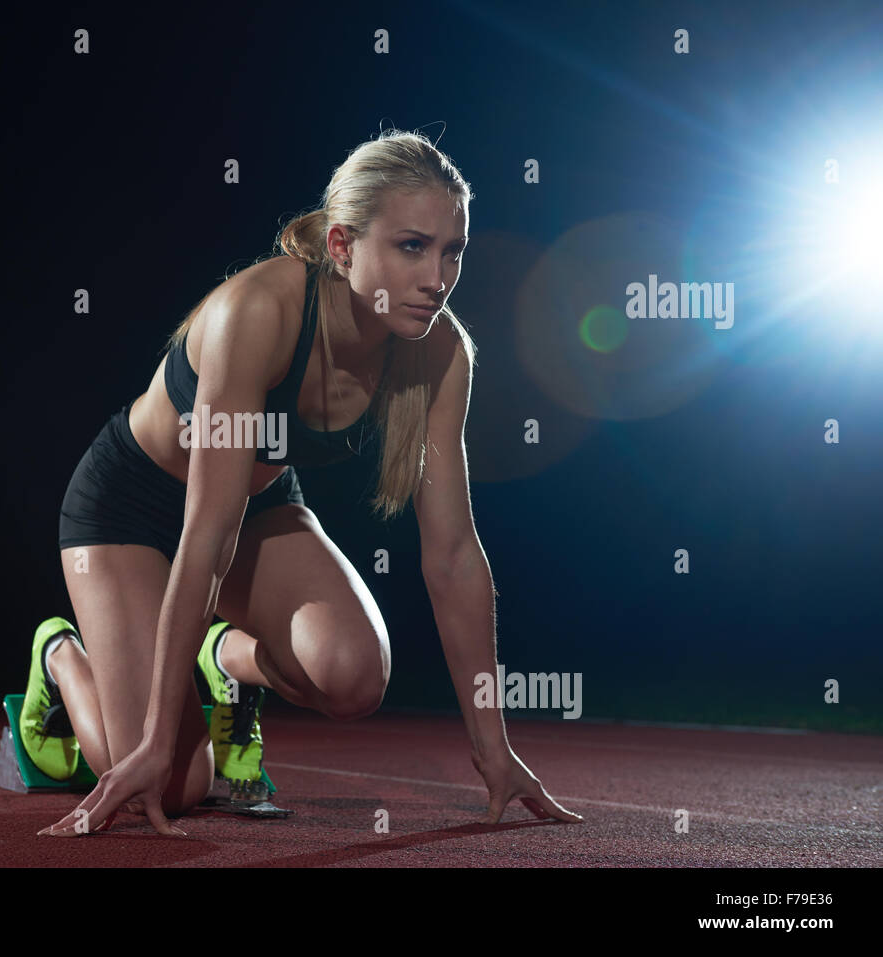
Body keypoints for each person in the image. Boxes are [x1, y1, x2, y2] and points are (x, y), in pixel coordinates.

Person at [32, 129, 583, 837]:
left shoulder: (440, 353)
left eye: (453, 251)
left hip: (253, 506)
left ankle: (220, 655)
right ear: (344, 246)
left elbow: (452, 554)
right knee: (170, 781)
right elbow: (206, 531)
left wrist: (494, 747)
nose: (437, 276)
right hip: (130, 510)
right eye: (412, 245)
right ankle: (60, 654)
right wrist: (152, 743)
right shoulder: (257, 313)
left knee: (354, 675)